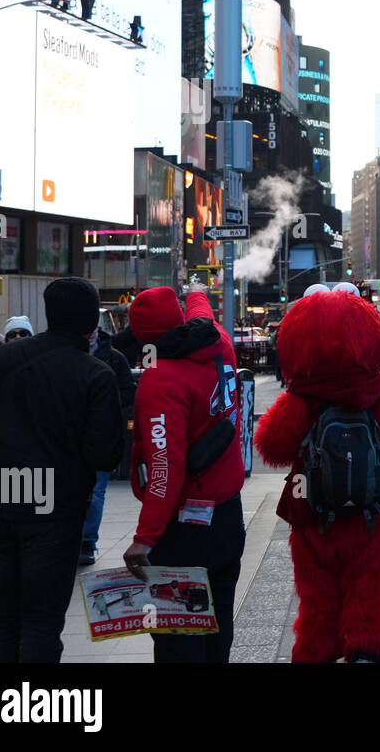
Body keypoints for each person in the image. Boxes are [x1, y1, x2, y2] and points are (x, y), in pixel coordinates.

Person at [0, 277, 123, 662]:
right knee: (42, 621)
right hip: (55, 510)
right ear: (92, 324)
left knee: (1, 618)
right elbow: (104, 454)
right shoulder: (95, 374)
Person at [256, 290, 380, 662]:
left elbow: (272, 446)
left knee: (316, 588)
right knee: (368, 581)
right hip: (371, 512)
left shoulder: (302, 397)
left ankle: (317, 648)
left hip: (313, 509)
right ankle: (367, 645)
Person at [123, 284, 246, 663]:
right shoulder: (217, 341)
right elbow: (200, 307)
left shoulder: (161, 380)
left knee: (180, 632)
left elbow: (164, 465)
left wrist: (144, 539)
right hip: (227, 513)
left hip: (183, 529)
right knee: (218, 621)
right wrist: (195, 290)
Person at [79, 326, 138, 565]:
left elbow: (128, 391)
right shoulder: (63, 354)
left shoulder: (114, 356)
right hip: (70, 437)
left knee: (95, 492)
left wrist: (106, 402)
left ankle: (87, 541)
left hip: (101, 434)